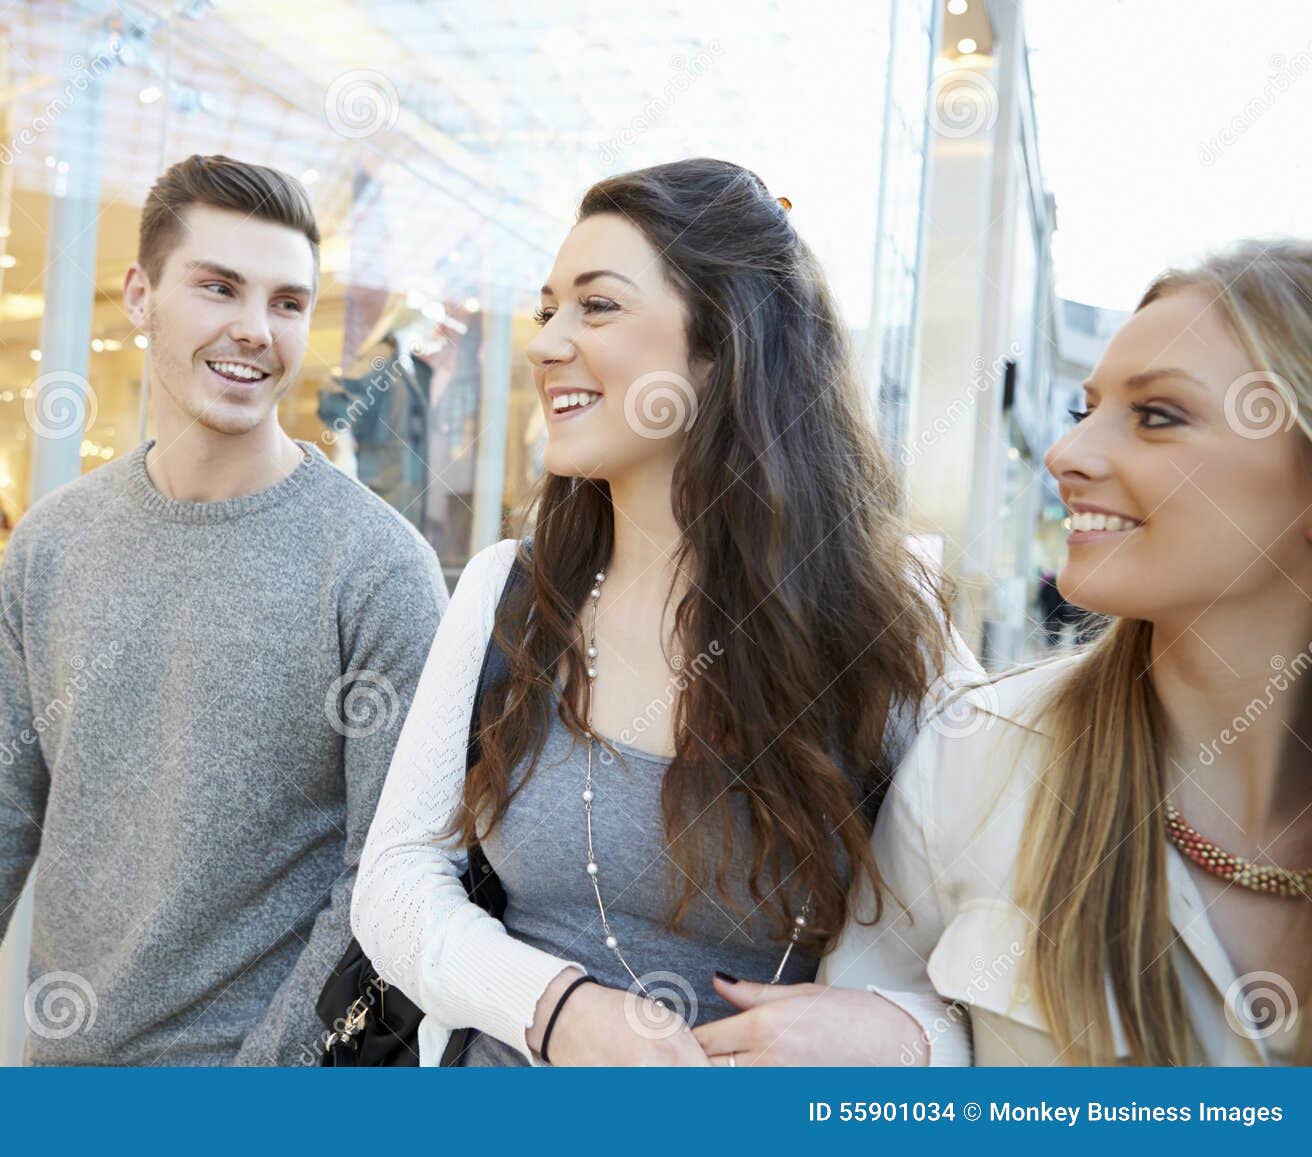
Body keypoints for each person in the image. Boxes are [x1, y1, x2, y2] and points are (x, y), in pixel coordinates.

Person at [351, 158, 977, 1067]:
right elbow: (396, 883)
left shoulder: (886, 619)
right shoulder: (508, 592)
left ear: (722, 345)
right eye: (548, 310)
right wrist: (555, 1009)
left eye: (597, 306)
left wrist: (911, 1039)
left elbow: (1018, 949)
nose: (546, 343)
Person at [0, 155, 447, 1066]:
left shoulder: (379, 568)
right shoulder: (53, 544)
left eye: (288, 302)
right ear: (140, 296)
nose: (256, 330)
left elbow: (387, 885)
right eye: (219, 287)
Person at [823, 240, 1312, 1065]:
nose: (1065, 455)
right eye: (1087, 412)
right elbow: (847, 1063)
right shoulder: (975, 754)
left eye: (1158, 416)